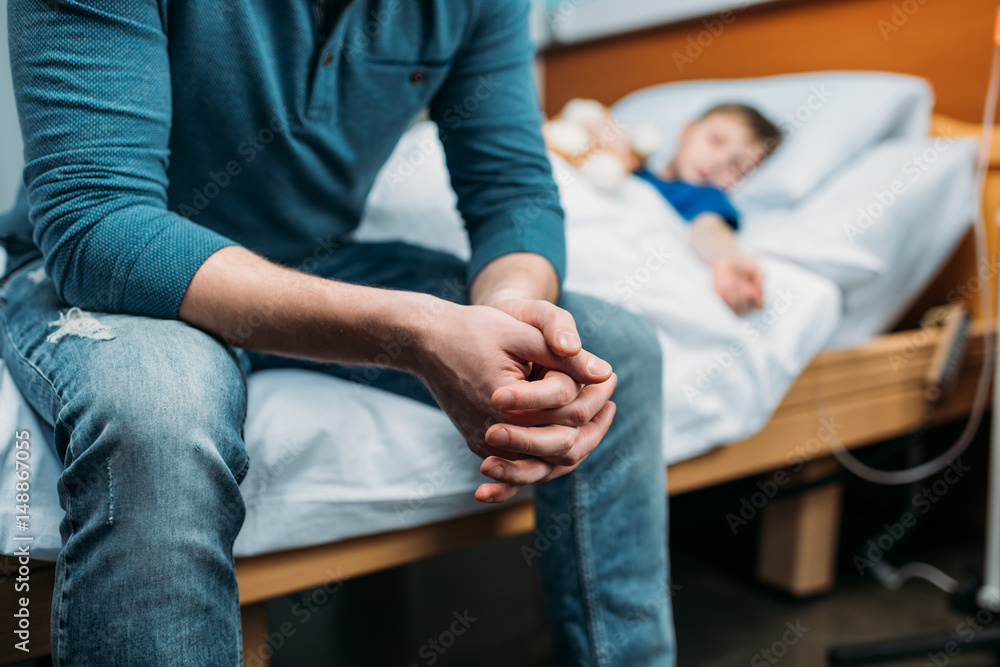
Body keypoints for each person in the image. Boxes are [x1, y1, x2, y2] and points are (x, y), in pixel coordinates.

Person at [0, 1, 674, 665]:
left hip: (315, 257)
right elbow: (100, 222)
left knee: (609, 352)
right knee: (159, 414)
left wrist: (507, 321)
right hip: (120, 277)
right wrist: (416, 331)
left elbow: (512, 190)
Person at [634, 103, 783, 315]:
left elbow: (710, 228)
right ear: (687, 130)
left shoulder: (707, 196)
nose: (718, 161)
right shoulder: (632, 168)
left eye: (737, 167)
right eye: (716, 141)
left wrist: (724, 258)